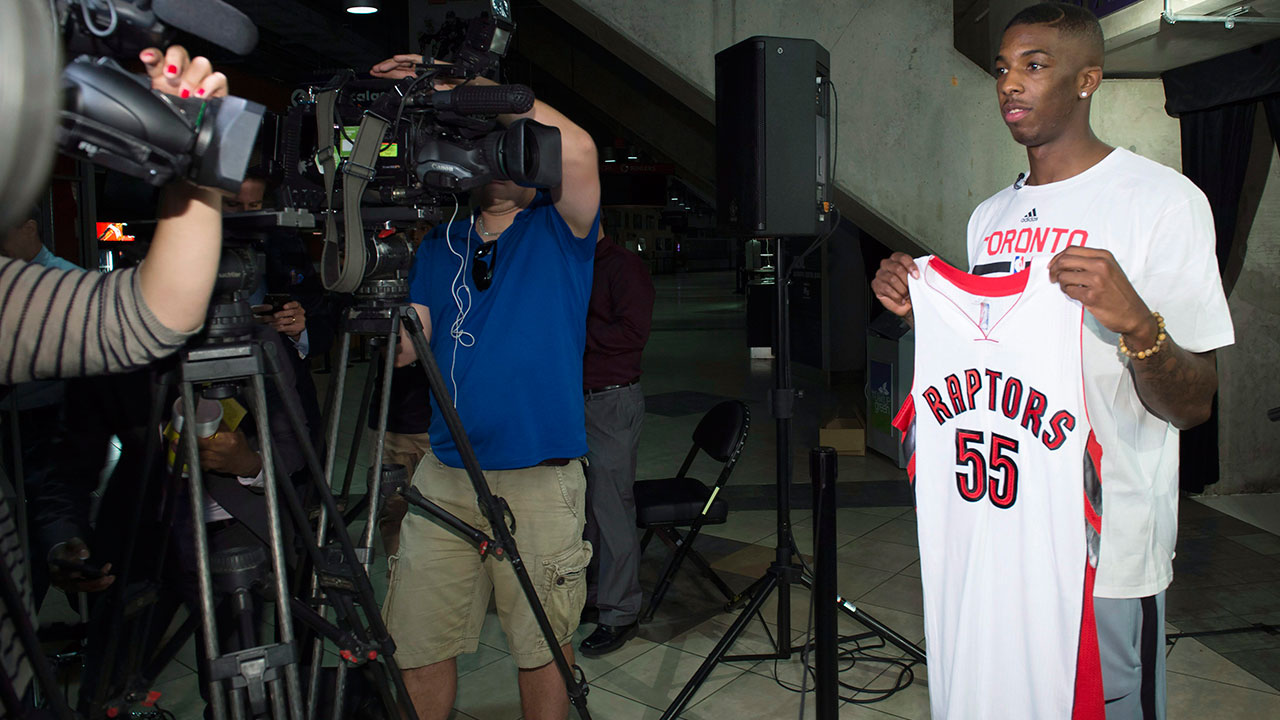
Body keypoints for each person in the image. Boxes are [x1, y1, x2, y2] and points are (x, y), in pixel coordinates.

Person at [871, 4, 1233, 718]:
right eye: (1004, 68)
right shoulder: (989, 218)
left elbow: (1195, 403)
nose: (1011, 84)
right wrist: (926, 312)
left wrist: (1135, 322)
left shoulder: (1163, 202)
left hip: (1112, 548)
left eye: (1035, 66)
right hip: (1002, 533)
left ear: (1087, 80)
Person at [0, 45, 230, 707]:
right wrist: (63, 535)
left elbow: (152, 313)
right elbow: (71, 449)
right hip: (138, 521)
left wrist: (196, 151)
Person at [372, 52, 600, 720]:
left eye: (510, 147)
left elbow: (580, 149)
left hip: (539, 476)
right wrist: (379, 312)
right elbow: (408, 348)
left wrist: (462, 88)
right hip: (447, 470)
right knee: (416, 639)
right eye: (484, 147)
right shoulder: (439, 243)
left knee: (543, 648)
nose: (497, 162)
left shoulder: (561, 229)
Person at [578, 226, 654, 658]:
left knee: (611, 508)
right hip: (578, 399)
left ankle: (620, 611)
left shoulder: (623, 266)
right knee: (585, 508)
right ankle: (594, 594)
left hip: (611, 400)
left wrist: (573, 336)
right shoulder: (575, 265)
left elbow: (633, 334)